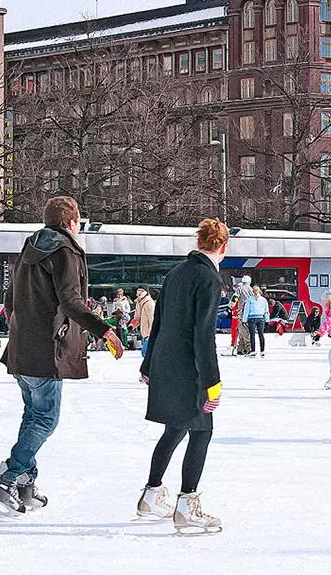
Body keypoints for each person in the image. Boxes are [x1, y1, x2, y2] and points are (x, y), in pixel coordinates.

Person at [0, 196, 124, 517]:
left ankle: (25, 483)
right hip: (47, 351)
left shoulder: (29, 248)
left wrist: (22, 330)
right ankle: (5, 480)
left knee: (33, 416)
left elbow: (10, 300)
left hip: (22, 349)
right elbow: (72, 302)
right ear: (73, 223)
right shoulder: (65, 251)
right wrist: (106, 331)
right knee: (46, 419)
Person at [136, 218, 228, 534]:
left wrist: (148, 366)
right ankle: (187, 506)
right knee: (200, 432)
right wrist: (212, 384)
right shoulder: (209, 279)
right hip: (191, 370)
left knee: (174, 430)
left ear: (199, 242)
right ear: (222, 248)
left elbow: (157, 324)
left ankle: (150, 495)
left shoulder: (174, 275)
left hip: (165, 364)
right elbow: (204, 336)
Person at [244, 286, 268, 357]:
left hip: (252, 318)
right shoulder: (264, 300)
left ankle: (253, 350)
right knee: (261, 335)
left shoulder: (249, 299)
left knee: (252, 335)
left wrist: (244, 320)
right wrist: (267, 320)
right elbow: (266, 311)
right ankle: (262, 350)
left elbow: (246, 310)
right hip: (261, 318)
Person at [132, 286, 156, 357]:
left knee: (145, 353)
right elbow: (137, 317)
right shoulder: (138, 303)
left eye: (141, 291)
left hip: (149, 333)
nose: (139, 292)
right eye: (138, 291)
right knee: (145, 354)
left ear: (146, 293)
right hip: (144, 333)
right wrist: (132, 325)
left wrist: (151, 333)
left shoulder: (149, 303)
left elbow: (152, 319)